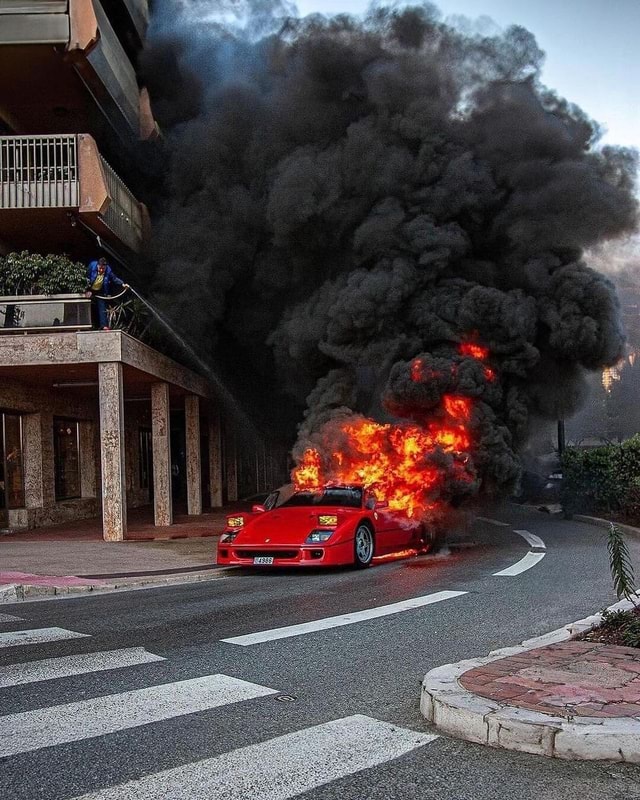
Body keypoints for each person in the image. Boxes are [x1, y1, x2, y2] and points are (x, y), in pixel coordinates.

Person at [85, 257, 129, 330]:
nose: (101, 270)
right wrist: (87, 289)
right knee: (86, 304)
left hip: (100, 290)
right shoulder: (92, 266)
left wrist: (122, 284)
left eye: (103, 268)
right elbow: (86, 276)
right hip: (90, 289)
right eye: (100, 268)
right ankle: (86, 324)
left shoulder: (108, 270)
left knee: (102, 306)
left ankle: (104, 326)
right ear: (97, 265)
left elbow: (114, 278)